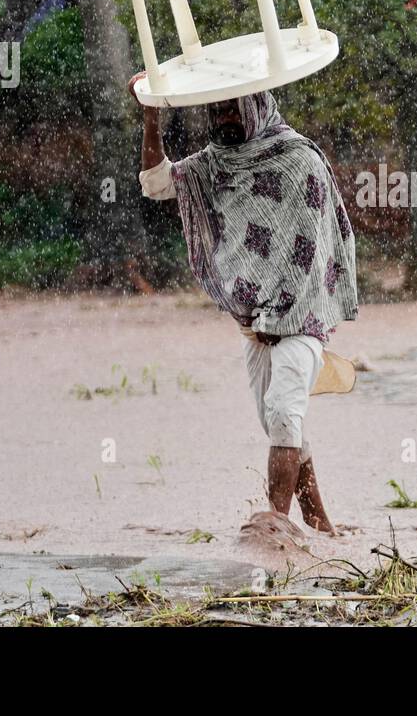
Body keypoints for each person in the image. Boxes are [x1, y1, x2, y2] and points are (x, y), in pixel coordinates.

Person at [131, 74, 358, 533]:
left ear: (256, 105)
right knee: (278, 421)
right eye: (217, 112)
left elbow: (315, 249)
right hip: (253, 326)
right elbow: (155, 183)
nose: (225, 119)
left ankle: (274, 527)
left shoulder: (299, 160)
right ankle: (321, 527)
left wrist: (285, 311)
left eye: (233, 109)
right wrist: (151, 113)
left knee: (282, 413)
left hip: (300, 321)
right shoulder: (214, 166)